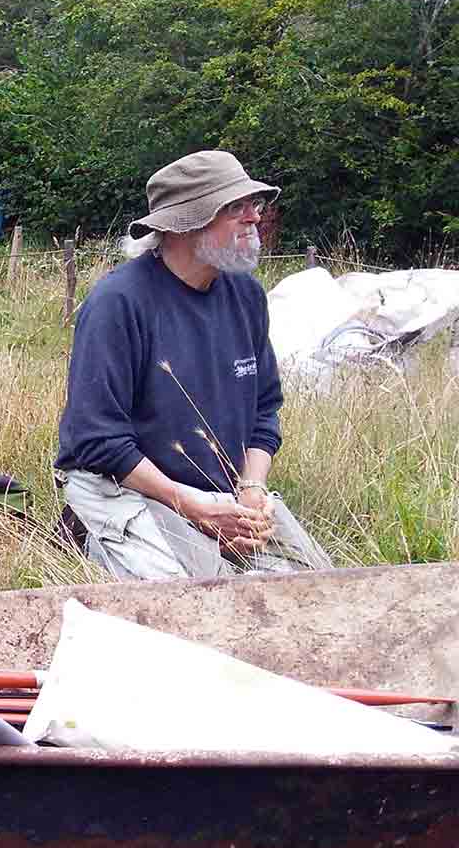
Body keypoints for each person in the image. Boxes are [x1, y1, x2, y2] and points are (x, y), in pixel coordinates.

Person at [55, 149, 331, 581]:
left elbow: (265, 410)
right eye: (235, 208)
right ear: (187, 224)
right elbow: (98, 442)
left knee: (313, 587)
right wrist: (187, 504)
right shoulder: (119, 304)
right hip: (124, 489)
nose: (254, 219)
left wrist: (252, 491)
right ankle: (87, 538)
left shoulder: (247, 296)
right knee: (191, 599)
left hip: (223, 494)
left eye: (253, 206)